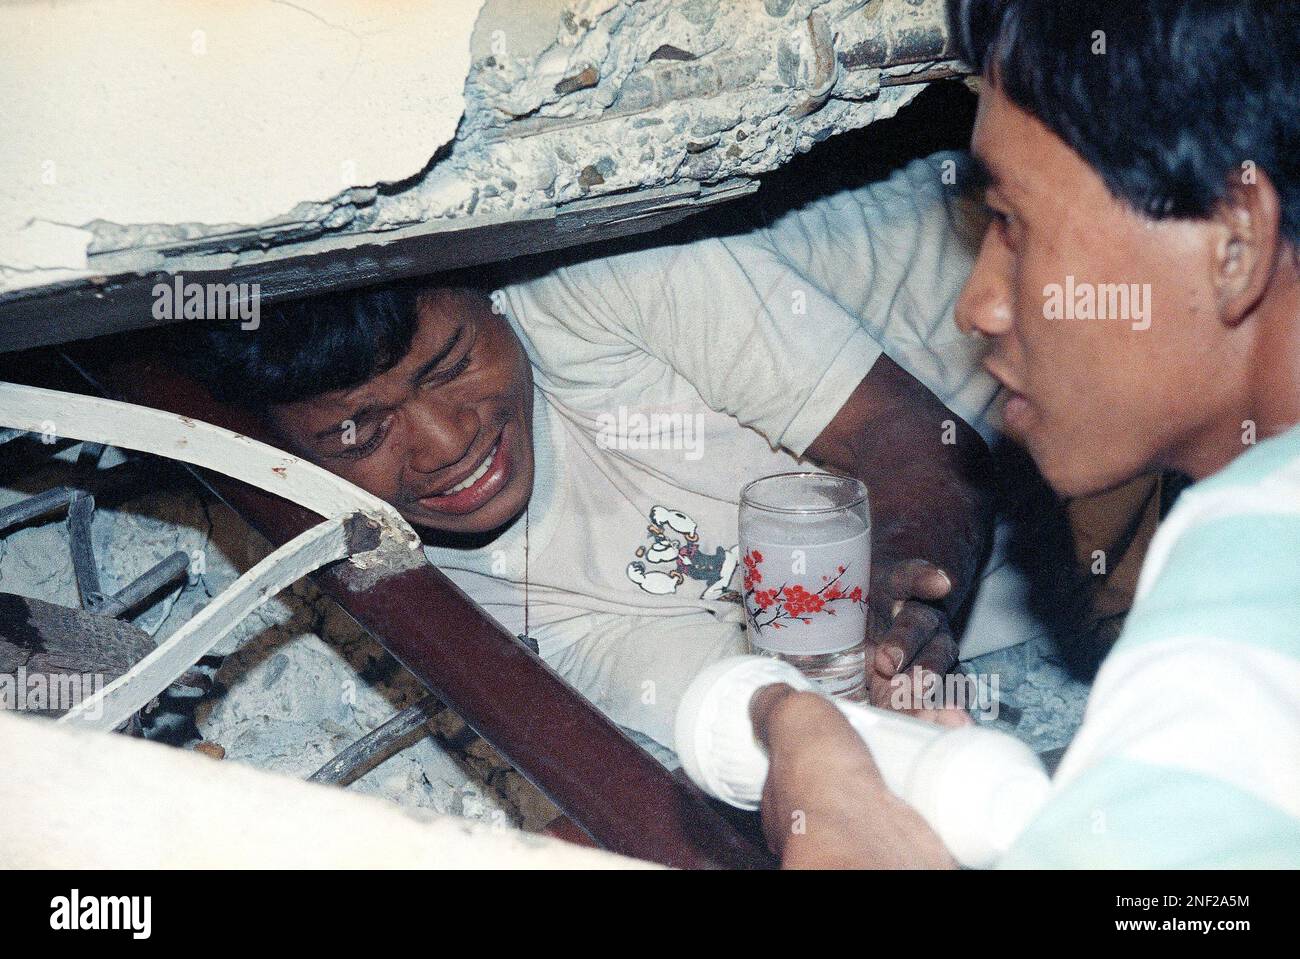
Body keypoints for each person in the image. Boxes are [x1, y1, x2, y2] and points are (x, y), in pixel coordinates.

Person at [182, 151, 1029, 750]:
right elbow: (754, 704)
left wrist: (904, 585)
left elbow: (914, 439)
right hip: (1040, 523)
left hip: (1056, 284)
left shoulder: (603, 281)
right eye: (359, 432)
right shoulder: (476, 599)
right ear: (284, 450)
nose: (446, 443)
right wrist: (861, 705)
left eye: (451, 366)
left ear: (492, 295)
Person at [752, 0, 1300, 867]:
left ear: (1235, 239)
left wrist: (856, 848)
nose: (980, 305)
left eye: (1011, 221)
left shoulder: (1262, 552)